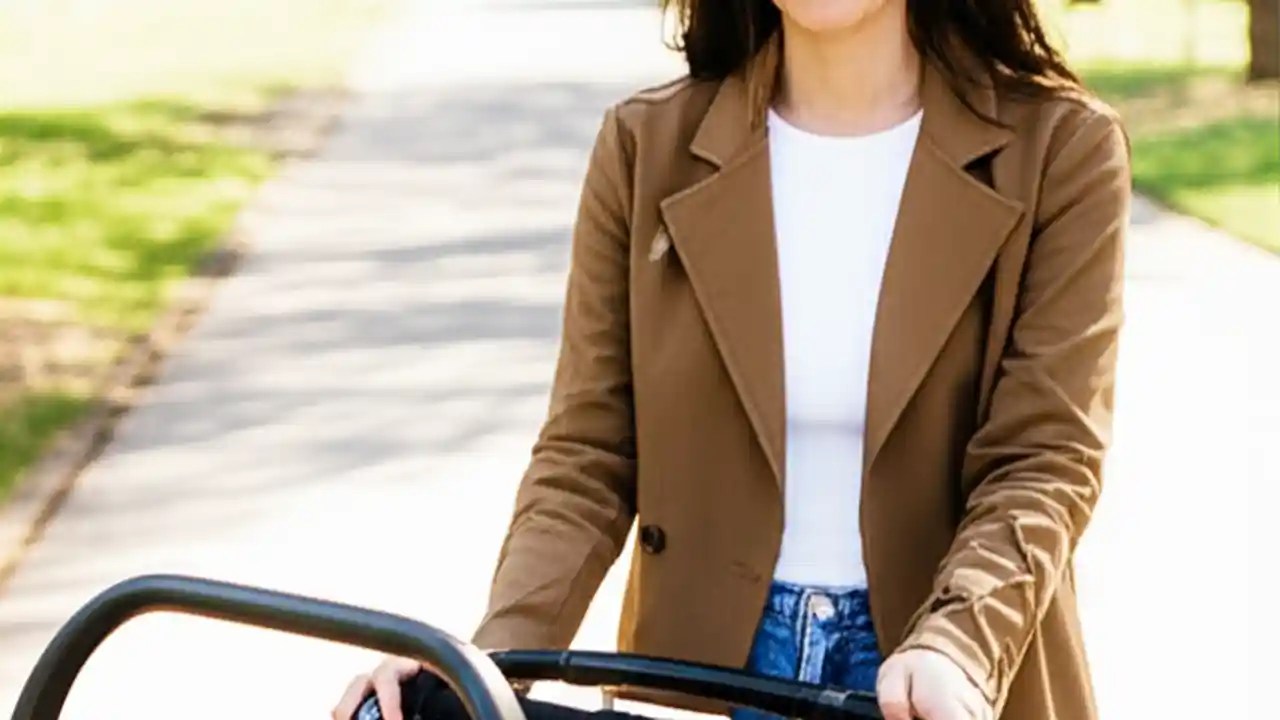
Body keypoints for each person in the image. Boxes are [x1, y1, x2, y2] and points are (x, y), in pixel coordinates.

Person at [333, 0, 1131, 718]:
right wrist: (483, 660)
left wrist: (958, 642)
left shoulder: (1062, 150)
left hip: (935, 681)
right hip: (705, 676)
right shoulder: (646, 146)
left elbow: (1043, 459)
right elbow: (588, 454)